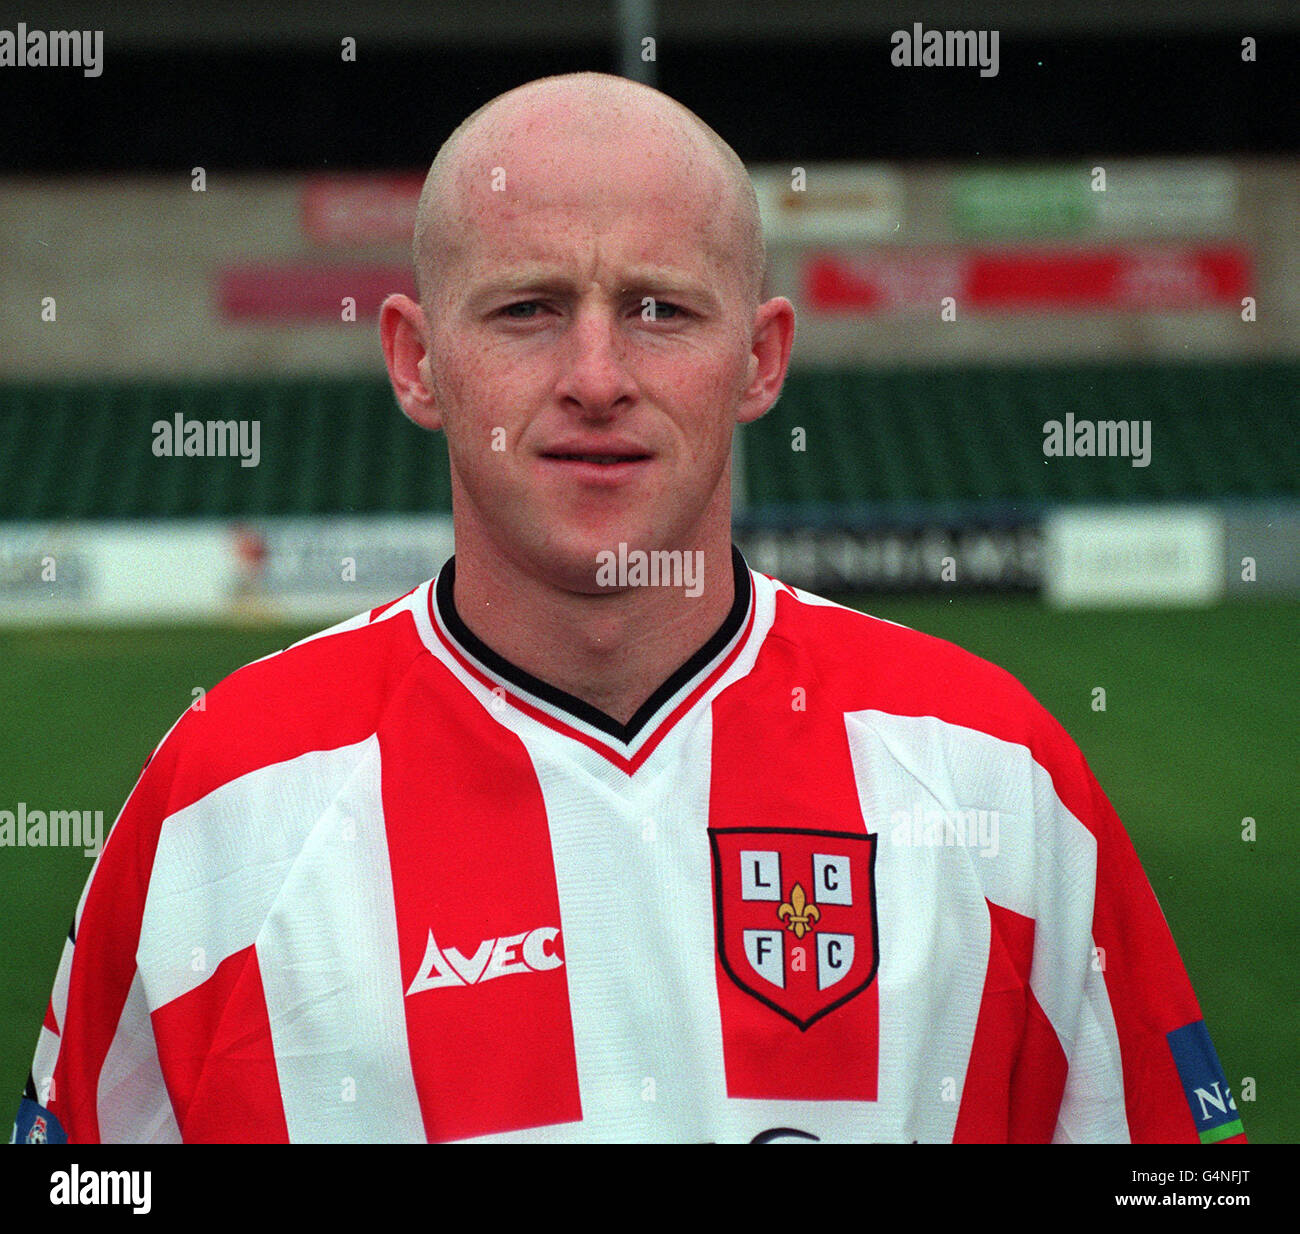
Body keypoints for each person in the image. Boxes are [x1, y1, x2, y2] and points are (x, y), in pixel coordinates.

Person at [13, 72, 1243, 1144]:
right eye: (526, 309)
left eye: (660, 310)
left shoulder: (993, 778)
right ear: (415, 359)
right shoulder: (219, 803)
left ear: (760, 359)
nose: (596, 378)